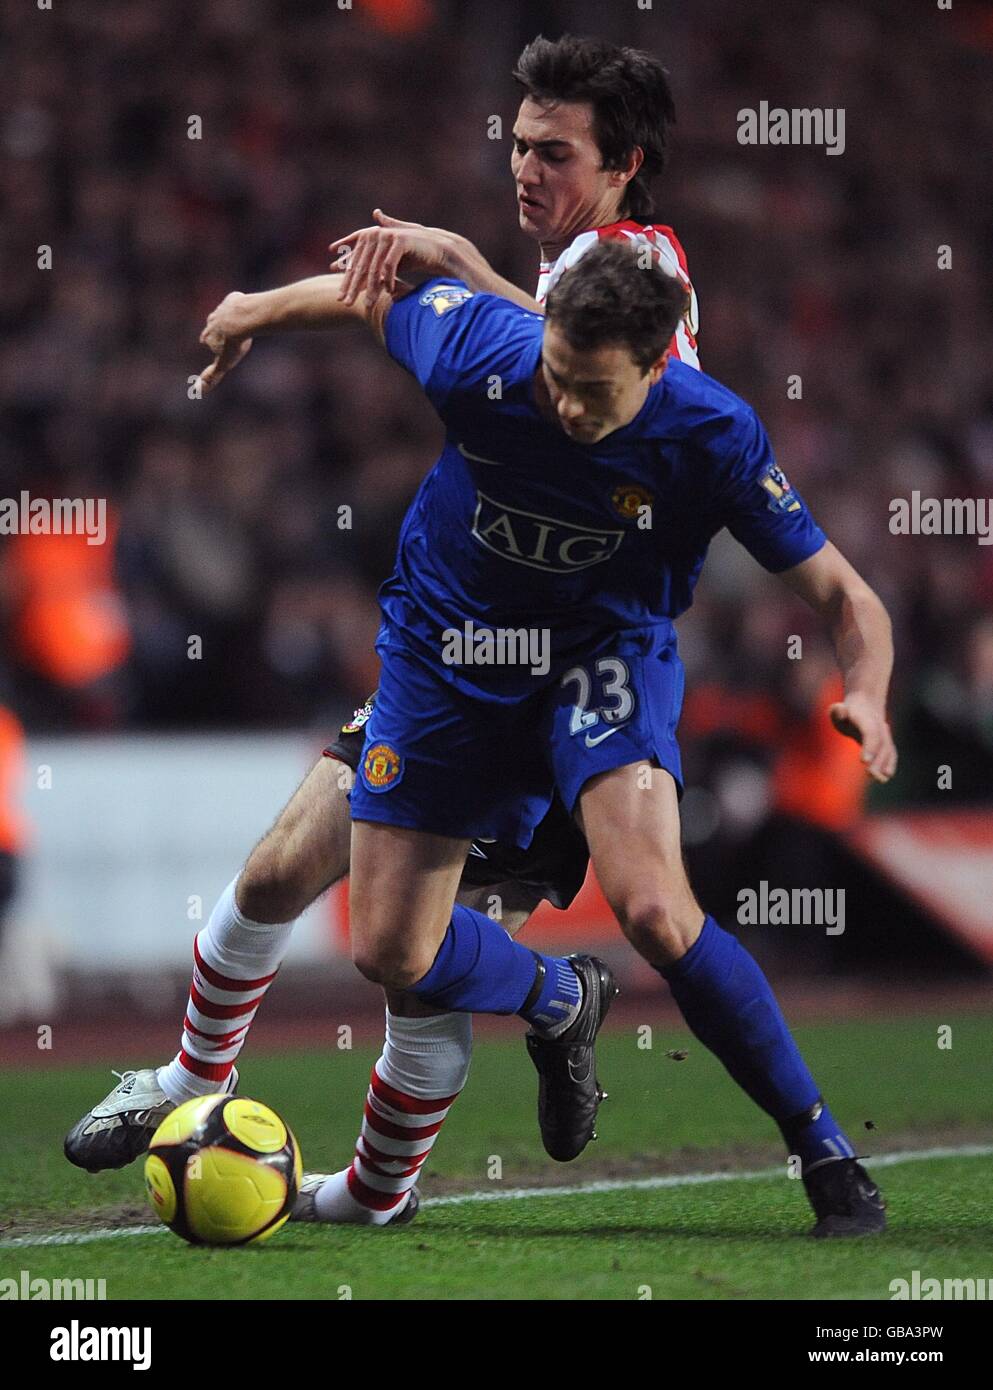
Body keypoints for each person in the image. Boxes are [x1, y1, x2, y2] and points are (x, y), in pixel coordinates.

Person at [65, 34, 704, 1223]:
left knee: (410, 959)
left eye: (553, 152)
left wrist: (460, 260)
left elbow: (632, 395)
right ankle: (185, 1081)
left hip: (553, 677)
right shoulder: (563, 273)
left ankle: (399, 1169)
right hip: (453, 652)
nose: (524, 169)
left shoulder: (646, 270)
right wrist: (255, 305)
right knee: (274, 878)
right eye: (516, 145)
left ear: (626, 167)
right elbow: (407, 304)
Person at [208, 239, 893, 1238]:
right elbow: (372, 303)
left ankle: (823, 1145)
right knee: (392, 950)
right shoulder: (488, 349)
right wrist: (247, 307)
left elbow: (845, 594)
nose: (567, 405)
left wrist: (867, 695)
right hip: (459, 657)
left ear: (659, 366)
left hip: (602, 661)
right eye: (558, 378)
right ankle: (560, 997)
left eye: (594, 393)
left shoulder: (713, 434)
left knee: (657, 908)